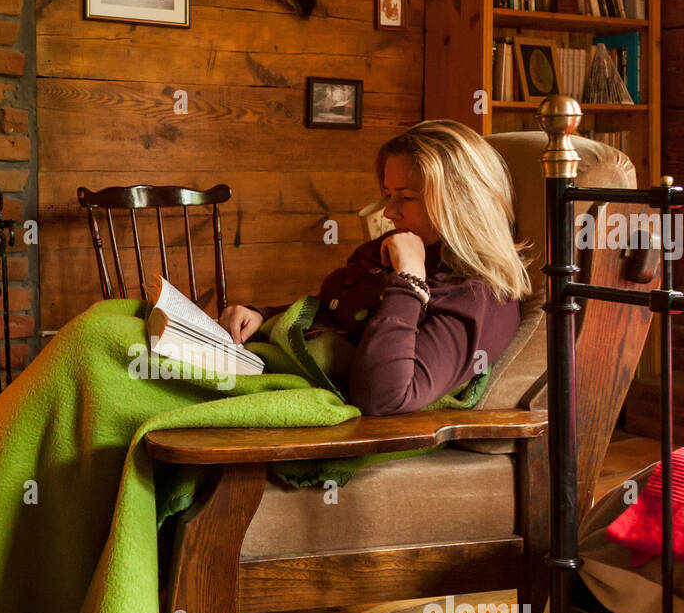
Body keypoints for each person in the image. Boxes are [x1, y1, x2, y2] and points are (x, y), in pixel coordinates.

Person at [218, 118, 532, 415]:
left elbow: (383, 397)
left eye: (407, 197)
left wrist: (409, 281)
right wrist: (262, 315)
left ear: (462, 203)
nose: (390, 211)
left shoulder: (478, 295)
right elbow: (334, 315)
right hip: (264, 368)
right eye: (387, 194)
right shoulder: (390, 248)